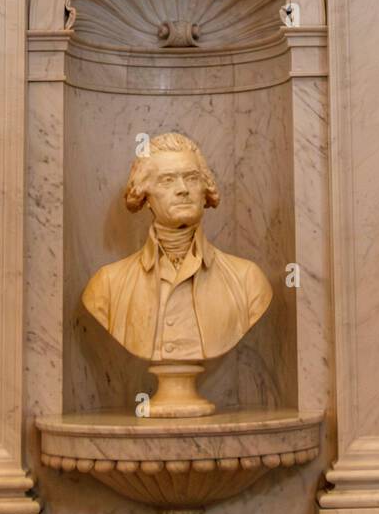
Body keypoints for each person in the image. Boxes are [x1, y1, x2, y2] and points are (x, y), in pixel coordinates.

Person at [82, 133, 272, 362]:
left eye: (191, 178)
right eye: (167, 180)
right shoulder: (107, 286)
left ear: (205, 190)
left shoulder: (248, 281)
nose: (183, 189)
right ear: (144, 194)